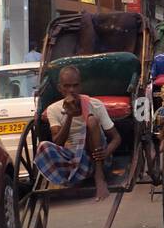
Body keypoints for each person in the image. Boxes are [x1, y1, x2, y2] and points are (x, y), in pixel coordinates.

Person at [35, 65, 120, 200]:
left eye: (75, 86)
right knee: (43, 146)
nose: (71, 90)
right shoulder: (53, 109)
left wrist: (106, 152)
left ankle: (99, 177)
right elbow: (58, 142)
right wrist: (69, 115)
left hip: (96, 156)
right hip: (71, 158)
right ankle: (72, 175)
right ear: (60, 88)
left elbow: (116, 138)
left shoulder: (95, 104)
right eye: (67, 86)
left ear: (80, 87)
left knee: (91, 120)